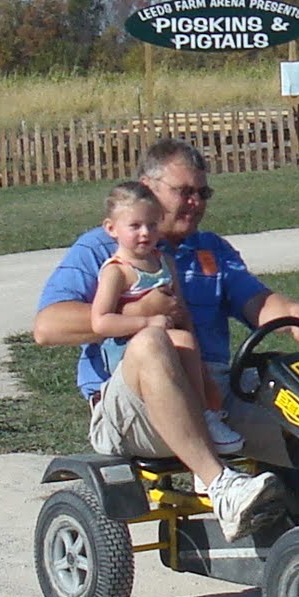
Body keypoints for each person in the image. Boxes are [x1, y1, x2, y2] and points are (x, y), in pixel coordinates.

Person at [34, 138, 299, 540]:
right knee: (152, 343)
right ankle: (221, 486)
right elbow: (48, 326)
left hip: (213, 396)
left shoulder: (210, 250)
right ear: (147, 187)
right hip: (133, 406)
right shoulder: (103, 247)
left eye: (203, 193)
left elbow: (254, 300)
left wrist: (292, 314)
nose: (195, 203)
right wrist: (139, 315)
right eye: (184, 192)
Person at [90, 180, 243, 455]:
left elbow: (181, 313)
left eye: (152, 224)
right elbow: (100, 322)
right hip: (131, 360)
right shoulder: (117, 271)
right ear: (111, 228)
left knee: (185, 337)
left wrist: (206, 379)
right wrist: (146, 322)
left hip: (174, 348)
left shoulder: (164, 262)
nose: (145, 233)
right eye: (135, 226)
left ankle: (204, 414)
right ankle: (199, 425)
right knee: (174, 339)